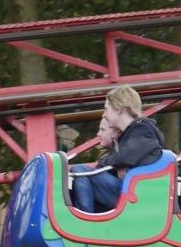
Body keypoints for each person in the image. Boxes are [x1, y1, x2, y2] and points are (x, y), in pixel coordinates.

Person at [70, 86, 163, 214]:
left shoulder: (143, 129)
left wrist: (108, 163)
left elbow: (126, 157)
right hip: (132, 190)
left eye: (106, 109)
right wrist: (117, 165)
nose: (104, 114)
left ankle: (84, 220)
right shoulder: (126, 136)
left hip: (139, 196)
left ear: (119, 109)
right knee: (84, 179)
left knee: (80, 171)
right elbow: (122, 159)